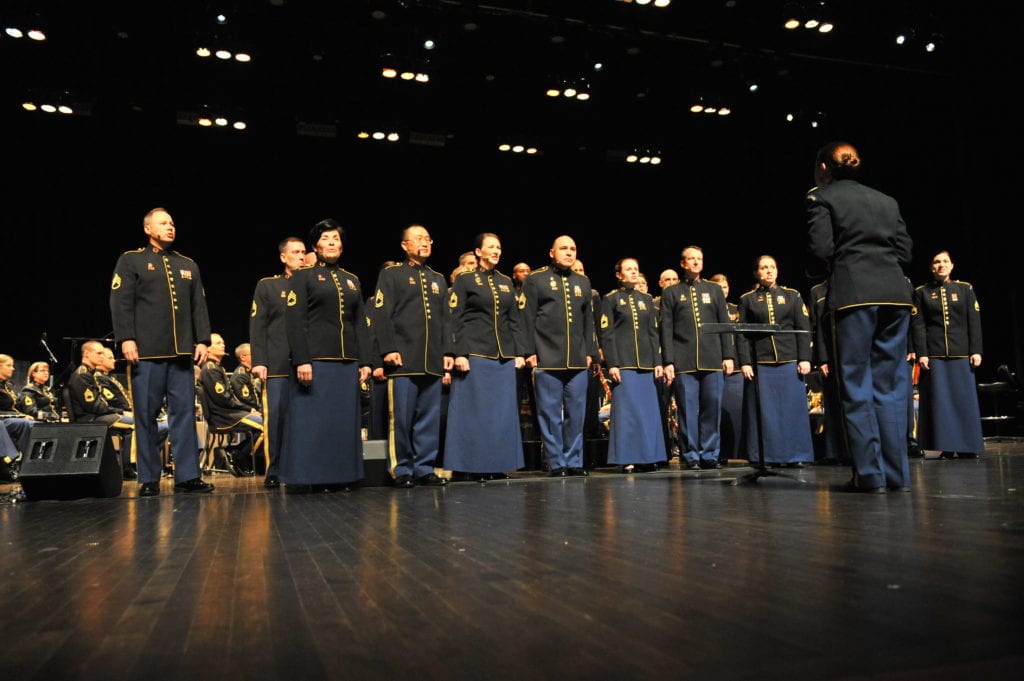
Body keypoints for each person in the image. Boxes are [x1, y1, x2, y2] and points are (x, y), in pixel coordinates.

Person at [807, 141, 914, 493]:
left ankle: (869, 475)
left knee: (856, 387)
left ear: (824, 167)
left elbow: (821, 250)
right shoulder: (887, 200)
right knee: (892, 387)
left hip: (854, 296)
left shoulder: (821, 197)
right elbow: (905, 251)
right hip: (896, 297)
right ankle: (896, 474)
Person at [110, 206, 214, 497]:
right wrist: (126, 339)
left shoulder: (188, 264)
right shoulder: (131, 260)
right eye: (163, 223)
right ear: (148, 229)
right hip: (146, 353)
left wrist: (203, 340)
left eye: (172, 222)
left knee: (183, 415)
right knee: (146, 415)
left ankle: (188, 476)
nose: (170, 226)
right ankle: (148, 478)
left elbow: (198, 307)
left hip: (181, 353)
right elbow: (121, 303)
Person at [283, 219, 373, 492]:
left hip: (347, 364)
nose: (332, 242)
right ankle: (314, 477)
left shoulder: (352, 280)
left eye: (336, 238)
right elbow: (294, 320)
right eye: (326, 238)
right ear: (315, 246)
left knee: (342, 423)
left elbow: (360, 323)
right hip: (317, 361)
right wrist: (302, 359)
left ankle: (341, 475)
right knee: (315, 423)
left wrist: (366, 361)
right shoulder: (303, 276)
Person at [369, 224, 450, 487]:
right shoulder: (392, 274)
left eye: (428, 238)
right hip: (403, 359)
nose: (424, 243)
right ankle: (401, 468)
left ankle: (424, 467)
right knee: (401, 419)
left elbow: (445, 320)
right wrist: (388, 349)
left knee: (428, 417)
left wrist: (448, 351)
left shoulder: (438, 278)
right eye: (418, 239)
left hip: (432, 360)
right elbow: (381, 313)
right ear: (405, 245)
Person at [444, 232, 526, 481]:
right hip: (475, 354)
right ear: (478, 251)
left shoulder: (505, 281)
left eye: (498, 247)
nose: (496, 251)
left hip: (502, 357)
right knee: (474, 413)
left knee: (500, 414)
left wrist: (518, 352)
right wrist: (458, 352)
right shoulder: (465, 279)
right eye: (490, 247)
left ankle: (497, 464)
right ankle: (471, 466)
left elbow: (514, 320)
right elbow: (454, 318)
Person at [520, 235, 600, 477]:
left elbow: (588, 322)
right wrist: (529, 351)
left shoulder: (583, 282)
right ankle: (556, 462)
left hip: (576, 358)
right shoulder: (536, 279)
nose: (569, 252)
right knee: (550, 414)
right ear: (551, 253)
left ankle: (574, 461)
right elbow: (527, 318)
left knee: (577, 414)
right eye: (563, 248)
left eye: (573, 248)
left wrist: (590, 353)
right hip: (547, 357)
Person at [659, 246, 735, 470]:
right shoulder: (671, 292)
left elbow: (724, 324)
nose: (696, 262)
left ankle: (710, 453)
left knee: (712, 407)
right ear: (683, 264)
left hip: (713, 359)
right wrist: (669, 361)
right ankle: (691, 455)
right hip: (684, 361)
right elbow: (667, 330)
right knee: (687, 410)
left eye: (699, 259)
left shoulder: (713, 290)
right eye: (691, 259)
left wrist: (728, 355)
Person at [736, 255, 815, 468]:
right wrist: (744, 362)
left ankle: (795, 454)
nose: (769, 271)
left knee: (792, 410)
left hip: (790, 360)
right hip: (761, 363)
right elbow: (741, 334)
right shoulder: (747, 299)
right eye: (764, 267)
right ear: (756, 273)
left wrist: (805, 358)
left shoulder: (792, 296)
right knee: (765, 414)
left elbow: (803, 329)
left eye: (772, 267)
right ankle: (766, 457)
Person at [912, 249, 985, 460]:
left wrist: (976, 350)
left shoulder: (965, 289)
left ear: (952, 266)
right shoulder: (922, 292)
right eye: (936, 262)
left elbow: (974, 321)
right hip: (934, 357)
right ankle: (944, 445)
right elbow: (919, 326)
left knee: (963, 401)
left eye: (945, 261)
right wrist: (922, 353)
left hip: (961, 354)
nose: (941, 265)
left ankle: (966, 446)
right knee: (940, 404)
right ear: (931, 267)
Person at [249, 235, 307, 489]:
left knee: (305, 419)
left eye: (304, 252)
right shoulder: (268, 286)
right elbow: (257, 325)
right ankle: (274, 469)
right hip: (278, 364)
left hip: (308, 365)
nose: (301, 256)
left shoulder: (313, 284)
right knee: (277, 420)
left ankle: (303, 468)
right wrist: (260, 360)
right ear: (283, 257)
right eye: (295, 252)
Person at [599, 257, 666, 473]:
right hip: (624, 364)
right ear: (619, 274)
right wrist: (613, 364)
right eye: (629, 269)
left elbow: (653, 333)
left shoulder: (646, 299)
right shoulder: (610, 299)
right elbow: (607, 335)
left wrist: (658, 362)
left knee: (647, 414)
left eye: (636, 269)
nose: (634, 272)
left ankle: (649, 456)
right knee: (628, 414)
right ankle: (629, 457)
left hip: (646, 364)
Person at [94, 345, 169, 480]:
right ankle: (130, 466)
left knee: (164, 427)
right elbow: (111, 401)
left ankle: (150, 460)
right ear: (100, 360)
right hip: (115, 414)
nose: (114, 361)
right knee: (138, 425)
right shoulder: (100, 378)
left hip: (127, 412)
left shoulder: (110, 377)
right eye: (110, 358)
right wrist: (126, 411)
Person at [199, 333, 264, 476]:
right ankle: (238, 454)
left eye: (222, 342)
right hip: (224, 416)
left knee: (265, 422)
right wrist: (249, 408)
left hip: (230, 413)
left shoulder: (217, 367)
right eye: (218, 343)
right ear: (208, 349)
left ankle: (237, 452)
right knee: (265, 425)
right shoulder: (210, 369)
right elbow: (224, 398)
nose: (223, 345)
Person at [708, 272, 743, 463]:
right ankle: (717, 453)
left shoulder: (736, 310)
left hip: (735, 370)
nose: (724, 290)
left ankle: (737, 453)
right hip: (714, 367)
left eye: (726, 287)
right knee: (716, 413)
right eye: (720, 287)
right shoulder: (708, 311)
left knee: (735, 416)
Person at [0, 353, 34, 477]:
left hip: (8, 420)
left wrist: (22, 415)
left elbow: (14, 407)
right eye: (9, 365)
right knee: (21, 423)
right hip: (3, 421)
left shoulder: (7, 386)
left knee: (33, 425)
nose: (13, 368)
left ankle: (30, 462)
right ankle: (8, 461)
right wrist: (20, 417)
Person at [230, 342, 261, 412]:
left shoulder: (248, 372)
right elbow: (246, 400)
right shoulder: (240, 375)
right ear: (243, 357)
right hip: (248, 411)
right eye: (253, 354)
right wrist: (261, 409)